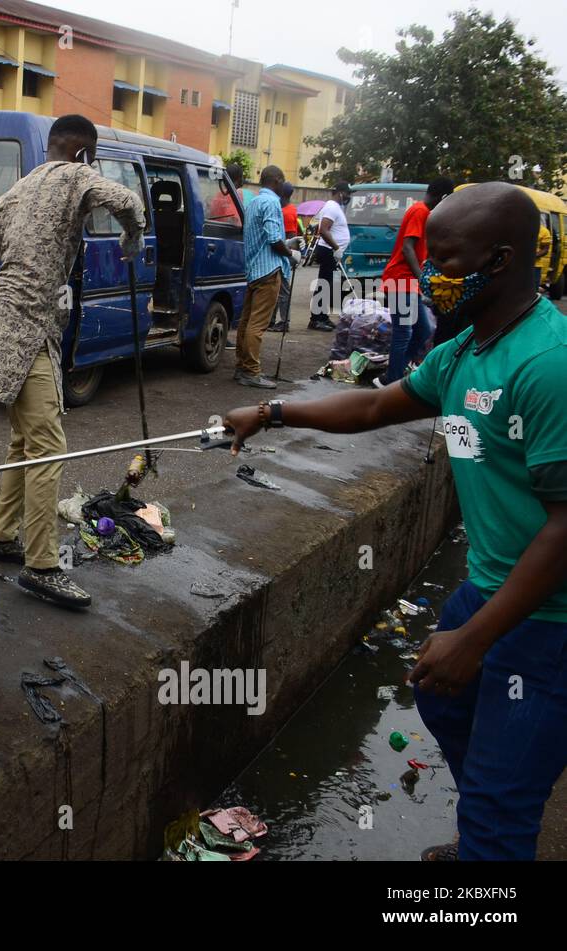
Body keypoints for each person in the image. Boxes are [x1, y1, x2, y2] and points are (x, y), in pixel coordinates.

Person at [225, 182, 567, 861]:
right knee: (440, 699)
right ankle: (490, 825)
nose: (431, 278)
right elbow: (379, 407)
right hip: (492, 585)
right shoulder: (467, 349)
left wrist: (474, 639)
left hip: (550, 621)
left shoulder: (547, 365)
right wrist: (272, 413)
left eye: (445, 261)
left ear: (499, 261)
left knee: (502, 800)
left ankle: (494, 839)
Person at [0, 115, 146, 611]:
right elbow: (127, 201)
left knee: (24, 440)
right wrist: (132, 238)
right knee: (48, 446)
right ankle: (41, 565)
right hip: (27, 332)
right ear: (83, 153)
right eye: (93, 158)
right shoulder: (78, 176)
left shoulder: (15, 191)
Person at [380, 178, 454, 382]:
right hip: (399, 280)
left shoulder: (424, 212)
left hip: (408, 283)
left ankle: (394, 373)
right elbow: (407, 247)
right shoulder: (420, 211)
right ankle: (392, 380)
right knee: (403, 332)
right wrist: (423, 280)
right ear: (444, 197)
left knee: (424, 330)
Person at [234, 165, 300, 388]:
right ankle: (251, 372)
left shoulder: (253, 203)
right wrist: (291, 253)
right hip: (269, 270)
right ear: (277, 180)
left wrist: (286, 243)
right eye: (283, 181)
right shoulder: (272, 202)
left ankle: (242, 367)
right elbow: (273, 239)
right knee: (257, 325)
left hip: (254, 268)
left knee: (246, 322)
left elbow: (265, 237)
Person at [309, 181, 352, 331]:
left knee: (328, 284)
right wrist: (336, 248)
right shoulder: (332, 207)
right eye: (347, 193)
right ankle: (315, 319)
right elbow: (323, 230)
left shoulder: (335, 207)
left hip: (331, 251)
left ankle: (322, 316)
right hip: (328, 250)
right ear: (340, 192)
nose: (348, 197)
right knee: (323, 285)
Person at [268, 181, 301, 333]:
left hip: (284, 252)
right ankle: (272, 320)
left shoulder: (286, 212)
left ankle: (283, 321)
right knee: (276, 289)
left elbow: (289, 236)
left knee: (282, 290)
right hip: (285, 251)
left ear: (282, 195)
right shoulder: (289, 209)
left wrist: (290, 255)